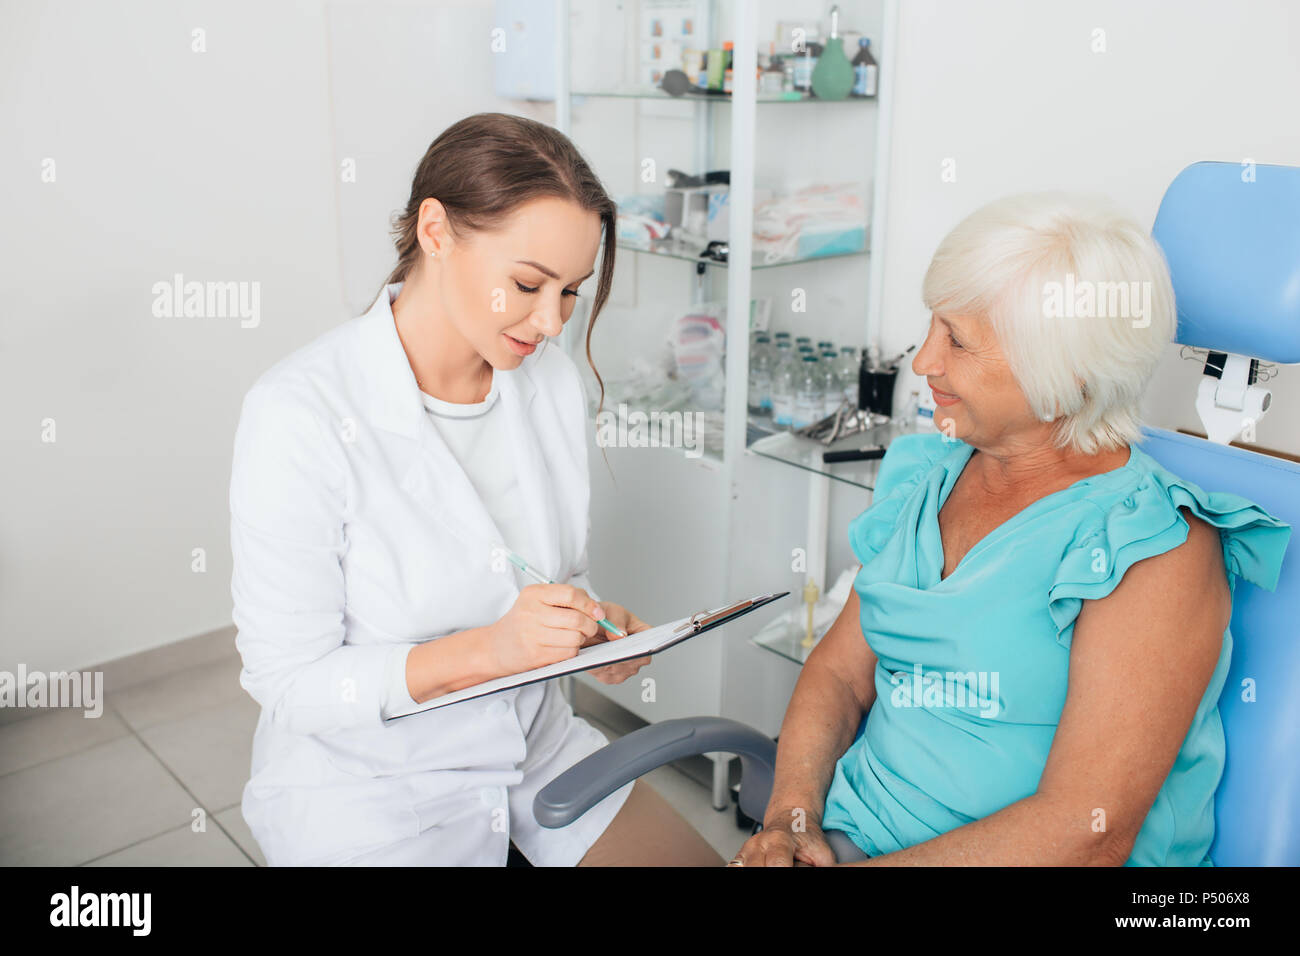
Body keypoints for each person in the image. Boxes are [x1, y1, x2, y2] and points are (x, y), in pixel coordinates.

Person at [731, 193, 1291, 866]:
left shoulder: (1152, 550)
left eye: (958, 341)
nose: (923, 362)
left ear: (1067, 375)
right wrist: (791, 819)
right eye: (932, 326)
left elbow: (1085, 831)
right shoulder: (928, 474)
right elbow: (842, 675)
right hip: (854, 843)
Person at [230, 112, 723, 866]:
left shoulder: (546, 382)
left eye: (571, 293)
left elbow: (551, 573)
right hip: (375, 787)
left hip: (535, 746)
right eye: (527, 284)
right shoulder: (300, 412)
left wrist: (585, 634)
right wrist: (492, 650)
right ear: (436, 230)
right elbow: (292, 684)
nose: (552, 323)